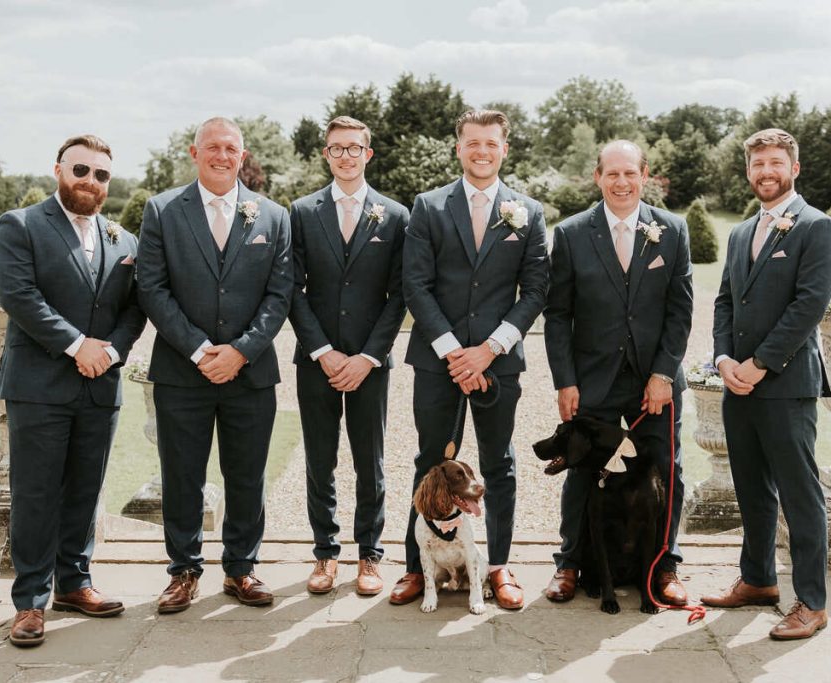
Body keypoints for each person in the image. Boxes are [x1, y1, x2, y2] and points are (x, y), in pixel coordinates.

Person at [0, 134, 146, 647]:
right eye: (81, 170)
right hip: (39, 385)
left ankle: (75, 584)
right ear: (59, 169)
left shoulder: (124, 240)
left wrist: (111, 351)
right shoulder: (22, 225)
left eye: (101, 175)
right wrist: (78, 345)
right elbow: (19, 295)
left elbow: (134, 309)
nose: (91, 182)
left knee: (86, 487)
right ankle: (30, 601)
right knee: (35, 493)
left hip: (101, 384)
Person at [393, 109, 549, 610]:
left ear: (505, 148)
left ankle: (498, 566)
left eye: (491, 143)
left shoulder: (528, 210)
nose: (482, 151)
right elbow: (414, 283)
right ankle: (419, 569)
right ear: (458, 147)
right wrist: (452, 351)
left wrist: (489, 349)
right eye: (472, 143)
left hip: (498, 361)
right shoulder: (429, 206)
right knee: (430, 461)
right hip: (438, 361)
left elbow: (536, 288)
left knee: (498, 463)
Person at [137, 117, 293, 613]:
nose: (222, 156)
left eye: (231, 148)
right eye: (213, 147)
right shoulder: (162, 210)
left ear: (243, 155)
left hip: (251, 372)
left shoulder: (272, 216)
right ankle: (183, 571)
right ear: (194, 152)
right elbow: (152, 289)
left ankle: (242, 569)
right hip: (183, 372)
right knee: (182, 474)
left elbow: (280, 293)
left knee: (246, 475)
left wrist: (242, 350)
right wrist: (202, 350)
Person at [703, 128, 831, 640]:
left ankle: (812, 601)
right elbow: (723, 301)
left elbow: (809, 306)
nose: (766, 171)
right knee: (752, 490)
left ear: (794, 169)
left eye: (775, 163)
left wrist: (759, 364)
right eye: (758, 163)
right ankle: (758, 580)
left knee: (800, 493)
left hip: (785, 384)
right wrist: (722, 360)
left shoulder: (817, 227)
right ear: (748, 171)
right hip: (736, 383)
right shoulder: (741, 233)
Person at [542, 140, 693, 606]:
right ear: (597, 177)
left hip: (655, 381)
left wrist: (664, 374)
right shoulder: (570, 234)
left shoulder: (672, 230)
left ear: (644, 175)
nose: (621, 182)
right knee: (582, 470)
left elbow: (679, 310)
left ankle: (664, 565)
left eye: (630, 173)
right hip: (592, 380)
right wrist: (566, 381)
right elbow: (557, 315)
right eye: (612, 174)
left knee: (667, 470)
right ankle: (569, 564)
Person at [289, 116, 409, 596]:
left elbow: (399, 295)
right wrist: (322, 351)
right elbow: (291, 289)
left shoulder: (395, 215)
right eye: (336, 148)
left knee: (370, 460)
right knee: (320, 460)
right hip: (315, 360)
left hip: (369, 364)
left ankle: (370, 556)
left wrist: (367, 357)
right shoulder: (300, 212)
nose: (345, 156)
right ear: (326, 154)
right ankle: (324, 554)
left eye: (353, 148)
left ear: (368, 154)